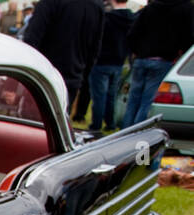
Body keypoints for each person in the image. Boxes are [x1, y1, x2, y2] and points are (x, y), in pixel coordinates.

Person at [21, 0, 104, 117]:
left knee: (33, 125)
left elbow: (31, 42)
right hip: (71, 77)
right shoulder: (96, 6)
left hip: (42, 79)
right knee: (58, 125)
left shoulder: (50, 3)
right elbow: (95, 49)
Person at [122, 0, 194, 127]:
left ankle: (125, 130)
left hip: (142, 59)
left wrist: (137, 51)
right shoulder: (186, 8)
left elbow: (132, 33)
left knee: (133, 99)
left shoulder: (151, 7)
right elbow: (188, 37)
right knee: (148, 101)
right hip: (164, 60)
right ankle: (138, 131)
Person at [88, 0, 134, 131]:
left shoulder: (106, 18)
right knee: (111, 95)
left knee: (99, 96)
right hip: (118, 61)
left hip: (102, 60)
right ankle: (110, 123)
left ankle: (96, 125)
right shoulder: (132, 19)